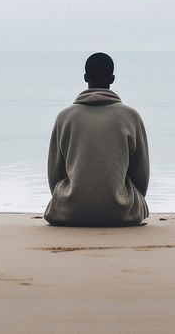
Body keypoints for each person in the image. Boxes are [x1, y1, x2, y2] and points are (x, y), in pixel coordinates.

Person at [44, 53, 150, 226]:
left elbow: (54, 174)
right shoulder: (131, 117)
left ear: (85, 77)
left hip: (70, 211)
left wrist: (65, 202)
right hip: (121, 210)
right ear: (112, 79)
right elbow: (141, 175)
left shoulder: (65, 117)